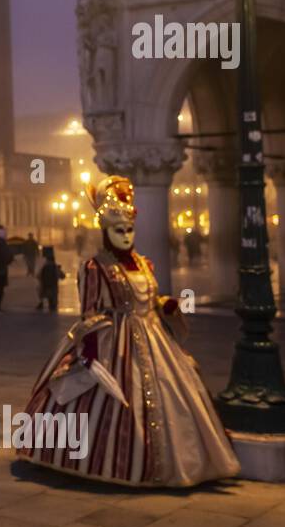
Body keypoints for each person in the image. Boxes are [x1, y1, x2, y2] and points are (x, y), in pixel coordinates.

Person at [17, 176, 239, 486]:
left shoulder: (145, 264)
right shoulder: (95, 267)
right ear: (106, 232)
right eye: (118, 230)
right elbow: (90, 311)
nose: (125, 235)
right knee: (102, 400)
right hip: (112, 339)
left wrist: (166, 306)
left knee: (177, 393)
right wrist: (91, 350)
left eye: (129, 230)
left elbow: (148, 300)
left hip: (153, 339)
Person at [36, 245, 65, 312]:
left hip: (45, 287)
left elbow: (38, 276)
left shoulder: (44, 266)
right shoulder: (55, 267)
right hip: (54, 288)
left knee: (43, 295)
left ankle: (41, 303)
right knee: (53, 305)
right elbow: (63, 276)